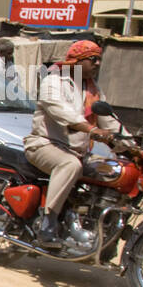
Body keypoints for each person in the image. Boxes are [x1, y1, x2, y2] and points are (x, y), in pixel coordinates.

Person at [23, 40, 122, 245]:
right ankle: (47, 223)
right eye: (93, 59)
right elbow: (63, 112)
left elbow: (110, 122)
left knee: (114, 170)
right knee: (70, 164)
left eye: (99, 60)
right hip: (44, 145)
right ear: (77, 61)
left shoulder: (93, 90)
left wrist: (131, 144)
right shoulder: (54, 81)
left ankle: (101, 229)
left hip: (77, 150)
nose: (97, 64)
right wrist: (92, 130)